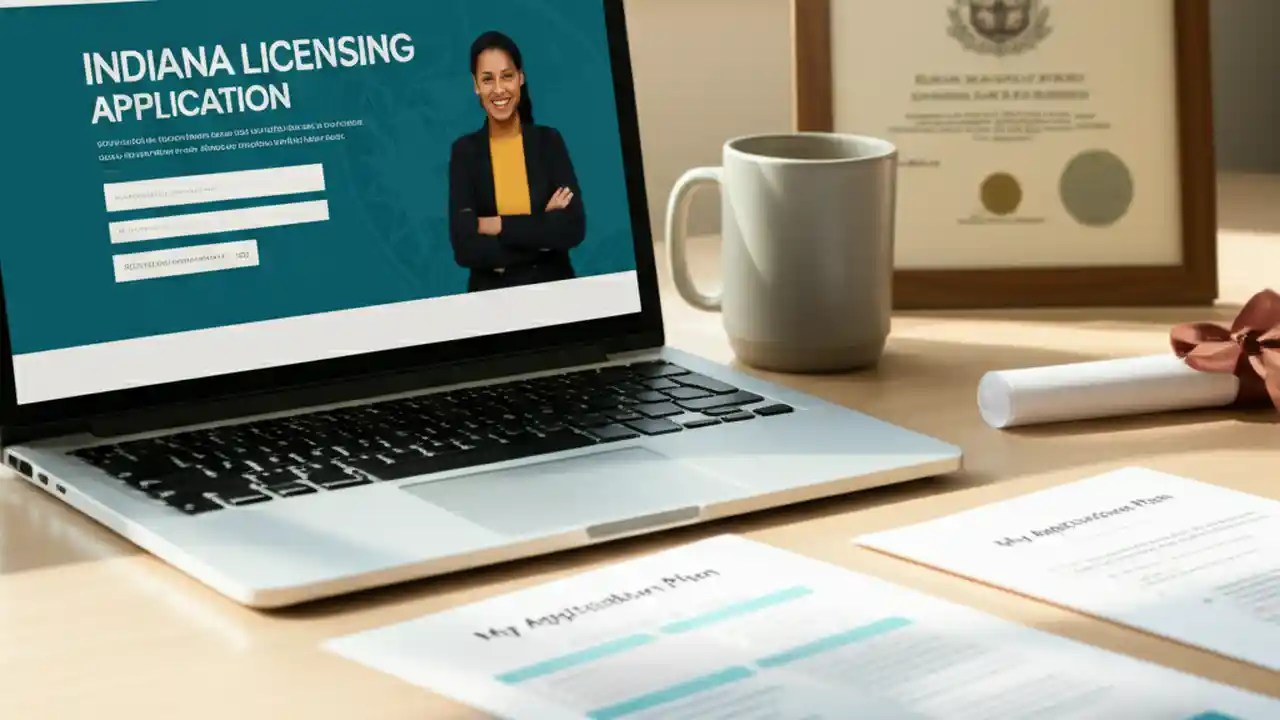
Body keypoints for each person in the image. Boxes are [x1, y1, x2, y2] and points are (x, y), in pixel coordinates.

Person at [449, 31, 586, 293]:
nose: (499, 89)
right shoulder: (465, 152)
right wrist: (541, 233)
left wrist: (494, 224)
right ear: (475, 85)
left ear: (520, 78)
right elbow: (465, 249)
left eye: (507, 76)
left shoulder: (548, 142)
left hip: (556, 293)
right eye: (487, 79)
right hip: (492, 300)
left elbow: (572, 228)